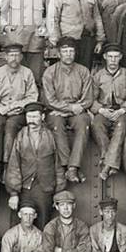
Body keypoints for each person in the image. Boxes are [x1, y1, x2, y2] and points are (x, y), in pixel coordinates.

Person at [42, 36, 94, 184]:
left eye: (71, 51)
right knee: (57, 125)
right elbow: (50, 100)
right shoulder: (50, 73)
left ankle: (72, 168)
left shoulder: (83, 71)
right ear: (59, 54)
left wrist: (72, 109)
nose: (68, 54)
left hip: (76, 110)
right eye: (65, 51)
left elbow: (88, 99)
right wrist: (70, 108)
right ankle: (68, 165)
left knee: (84, 123)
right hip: (56, 111)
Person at [3, 102, 63, 227]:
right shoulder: (20, 136)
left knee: (44, 224)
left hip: (45, 188)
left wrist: (58, 191)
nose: (32, 121)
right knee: (18, 224)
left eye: (35, 117)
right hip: (24, 188)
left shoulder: (50, 136)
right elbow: (13, 165)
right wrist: (14, 193)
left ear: (42, 117)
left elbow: (58, 164)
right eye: (29, 117)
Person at [90, 42, 126, 179]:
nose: (113, 60)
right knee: (96, 124)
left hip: (122, 112)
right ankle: (109, 160)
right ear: (105, 57)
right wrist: (100, 110)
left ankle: (106, 165)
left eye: (116, 57)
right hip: (104, 111)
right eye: (110, 57)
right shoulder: (98, 76)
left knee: (121, 126)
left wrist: (123, 109)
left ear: (120, 57)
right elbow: (90, 99)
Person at [45, 0, 105, 70]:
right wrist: (55, 40)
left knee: (85, 69)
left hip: (87, 40)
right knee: (68, 69)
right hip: (68, 40)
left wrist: (100, 40)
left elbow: (97, 17)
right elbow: (53, 18)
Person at [0, 0, 47, 84]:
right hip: (15, 41)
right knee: (15, 75)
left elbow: (49, 16)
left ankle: (34, 102)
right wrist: (5, 27)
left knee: (35, 77)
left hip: (35, 42)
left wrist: (44, 28)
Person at [0, 41, 39, 164]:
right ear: (5, 57)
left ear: (21, 57)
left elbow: (33, 96)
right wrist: (0, 108)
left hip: (19, 112)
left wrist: (17, 106)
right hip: (1, 110)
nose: (14, 58)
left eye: (17, 55)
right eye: (11, 55)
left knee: (11, 125)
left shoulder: (27, 73)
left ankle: (8, 165)